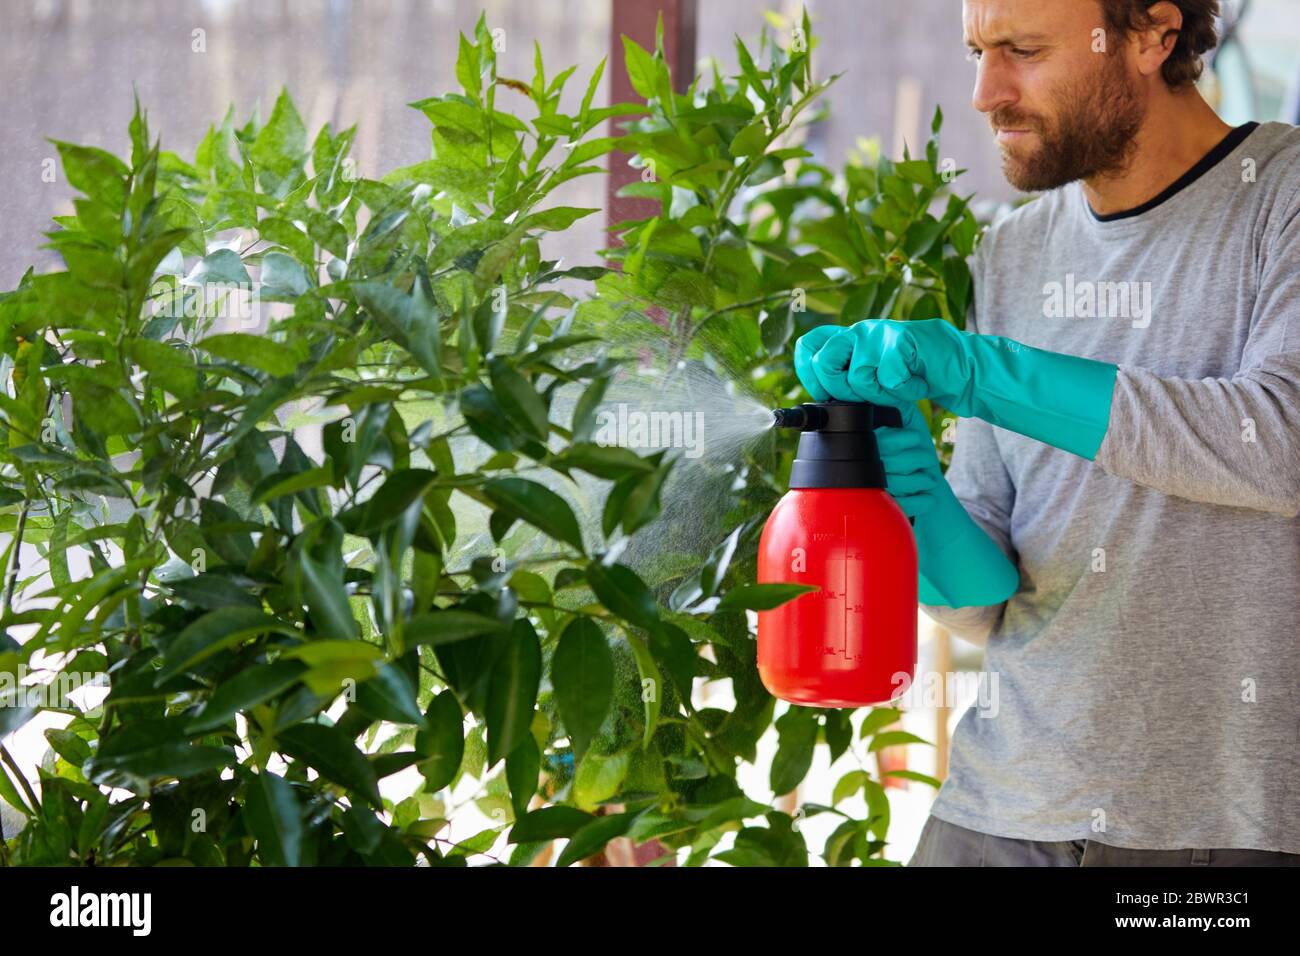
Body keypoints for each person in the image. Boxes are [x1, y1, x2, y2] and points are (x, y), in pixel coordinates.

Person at [795, 0, 1300, 866]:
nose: (988, 92)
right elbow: (987, 602)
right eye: (977, 52)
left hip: (1216, 827)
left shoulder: (1280, 198)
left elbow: (1280, 446)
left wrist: (984, 375)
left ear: (1151, 34)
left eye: (1022, 51)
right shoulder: (1014, 251)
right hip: (1001, 809)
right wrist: (908, 490)